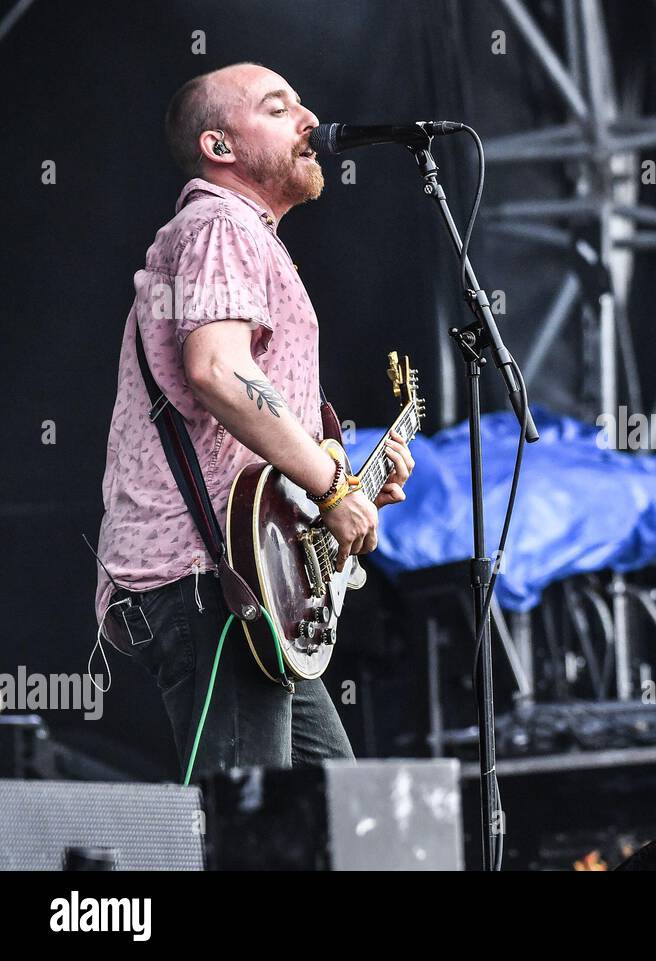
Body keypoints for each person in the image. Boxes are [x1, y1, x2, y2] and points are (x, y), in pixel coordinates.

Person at [92, 63, 414, 778]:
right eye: (279, 108)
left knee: (332, 822)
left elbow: (248, 439)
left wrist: (338, 485)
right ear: (220, 145)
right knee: (258, 839)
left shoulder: (245, 235)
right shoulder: (217, 222)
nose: (309, 120)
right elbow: (218, 370)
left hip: (245, 582)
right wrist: (332, 483)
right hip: (211, 579)